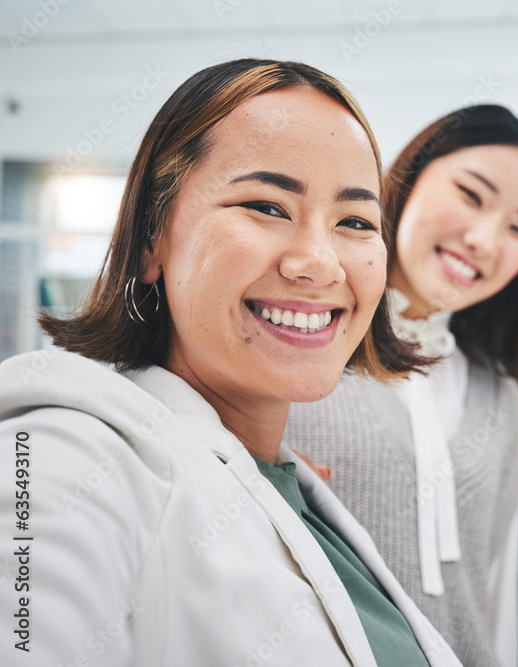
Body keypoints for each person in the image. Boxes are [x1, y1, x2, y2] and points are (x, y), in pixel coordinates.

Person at [0, 59, 462, 667]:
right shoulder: (69, 451)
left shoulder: (294, 492)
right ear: (150, 241)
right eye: (268, 207)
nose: (319, 263)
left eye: (354, 221)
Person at [284, 104, 518, 667]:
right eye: (471, 194)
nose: (485, 239)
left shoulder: (500, 400)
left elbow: (495, 594)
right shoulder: (301, 344)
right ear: (408, 178)